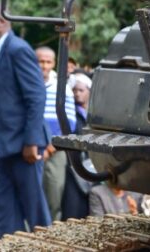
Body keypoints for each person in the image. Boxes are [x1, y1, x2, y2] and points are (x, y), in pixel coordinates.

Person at [0, 2, 50, 235]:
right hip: (4, 144)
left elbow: (36, 96)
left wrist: (32, 141)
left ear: (3, 21)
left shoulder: (17, 48)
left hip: (23, 145)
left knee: (34, 209)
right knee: (5, 209)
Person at [35, 45, 77, 221]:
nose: (44, 66)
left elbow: (70, 123)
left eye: (48, 62)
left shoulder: (62, 87)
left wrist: (51, 147)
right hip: (30, 149)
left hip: (55, 151)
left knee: (54, 197)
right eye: (40, 61)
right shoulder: (27, 82)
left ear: (54, 63)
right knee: (31, 197)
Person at [61, 72, 93, 220]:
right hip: (74, 164)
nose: (77, 94)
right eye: (75, 90)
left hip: (92, 164)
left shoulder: (93, 113)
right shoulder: (70, 112)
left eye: (81, 90)